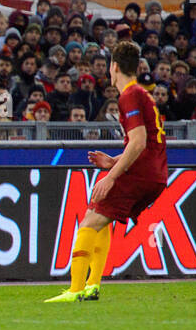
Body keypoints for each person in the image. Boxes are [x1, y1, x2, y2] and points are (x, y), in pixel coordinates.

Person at [46, 41, 166, 303]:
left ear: (113, 67)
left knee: (89, 220)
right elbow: (146, 142)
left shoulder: (129, 95)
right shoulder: (143, 94)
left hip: (141, 172)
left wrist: (111, 177)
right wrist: (113, 162)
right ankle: (92, 286)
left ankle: (75, 289)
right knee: (101, 219)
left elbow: (138, 141)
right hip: (154, 173)